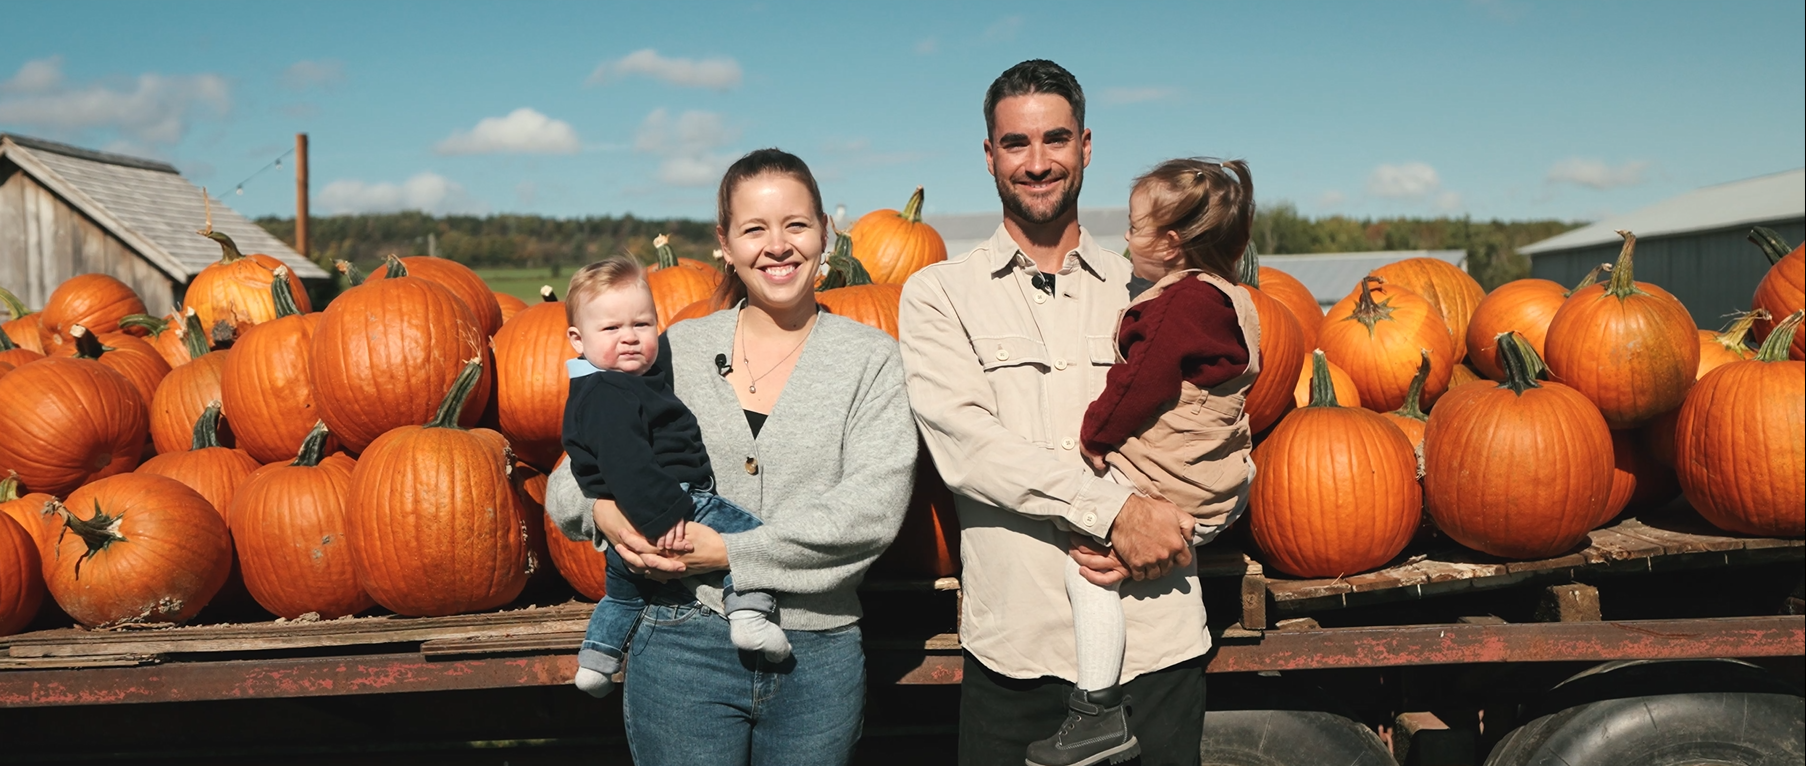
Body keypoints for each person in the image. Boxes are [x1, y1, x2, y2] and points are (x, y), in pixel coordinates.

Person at [543, 148, 916, 766]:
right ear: (725, 243)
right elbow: (569, 480)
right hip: (680, 642)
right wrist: (605, 509)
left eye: (796, 225)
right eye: (754, 229)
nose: (778, 246)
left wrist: (731, 551)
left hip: (816, 652)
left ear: (825, 232)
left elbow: (871, 510)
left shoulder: (871, 360)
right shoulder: (675, 350)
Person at [899, 60, 1208, 766]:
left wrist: (1183, 526)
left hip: (1156, 643)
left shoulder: (1156, 292)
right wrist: (1117, 513)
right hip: (1019, 654)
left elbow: (1218, 431)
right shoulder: (938, 297)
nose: (1038, 164)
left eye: (1056, 140)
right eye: (1016, 144)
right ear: (989, 155)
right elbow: (970, 448)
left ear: (1086, 146)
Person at [1025, 158, 1261, 765]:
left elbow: (1143, 382)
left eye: (1134, 229)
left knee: (1088, 554)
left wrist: (1096, 434)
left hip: (1174, 481)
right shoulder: (1232, 300)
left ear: (1171, 243)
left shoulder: (1175, 307)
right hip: (1221, 489)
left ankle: (1097, 707)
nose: (1125, 239)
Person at [558, 254, 792, 700]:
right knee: (753, 538)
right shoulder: (609, 391)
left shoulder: (615, 382)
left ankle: (596, 662)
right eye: (611, 329)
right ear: (577, 339)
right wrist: (665, 516)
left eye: (643, 325)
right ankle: (748, 616)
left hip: (631, 523)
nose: (629, 338)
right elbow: (627, 463)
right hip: (674, 501)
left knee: (624, 596)